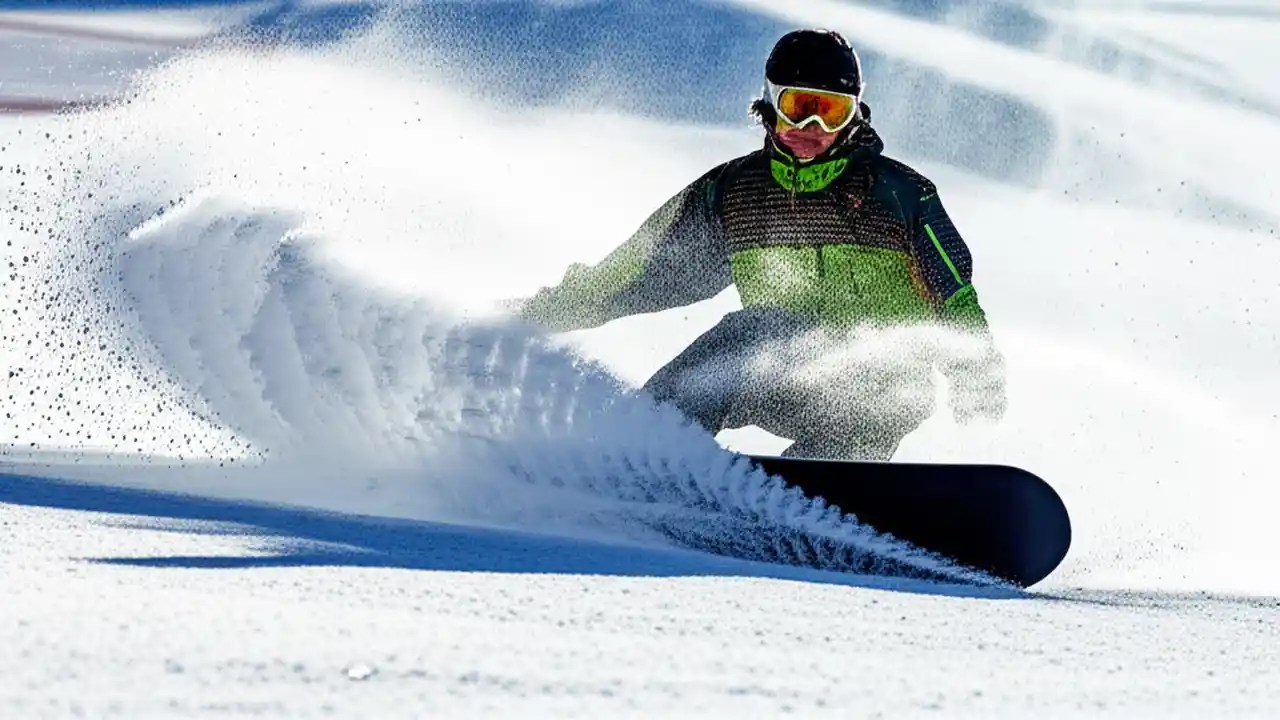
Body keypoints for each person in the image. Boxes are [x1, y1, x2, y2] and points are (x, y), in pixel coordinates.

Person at [518, 29, 1006, 460]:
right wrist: (532, 319)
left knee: (887, 394)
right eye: (800, 107)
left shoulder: (899, 195)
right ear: (771, 104)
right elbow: (635, 275)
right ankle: (644, 448)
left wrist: (975, 380)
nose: (812, 129)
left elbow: (956, 298)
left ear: (853, 116)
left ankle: (806, 496)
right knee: (753, 330)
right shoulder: (735, 194)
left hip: (878, 390)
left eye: (831, 112)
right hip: (778, 375)